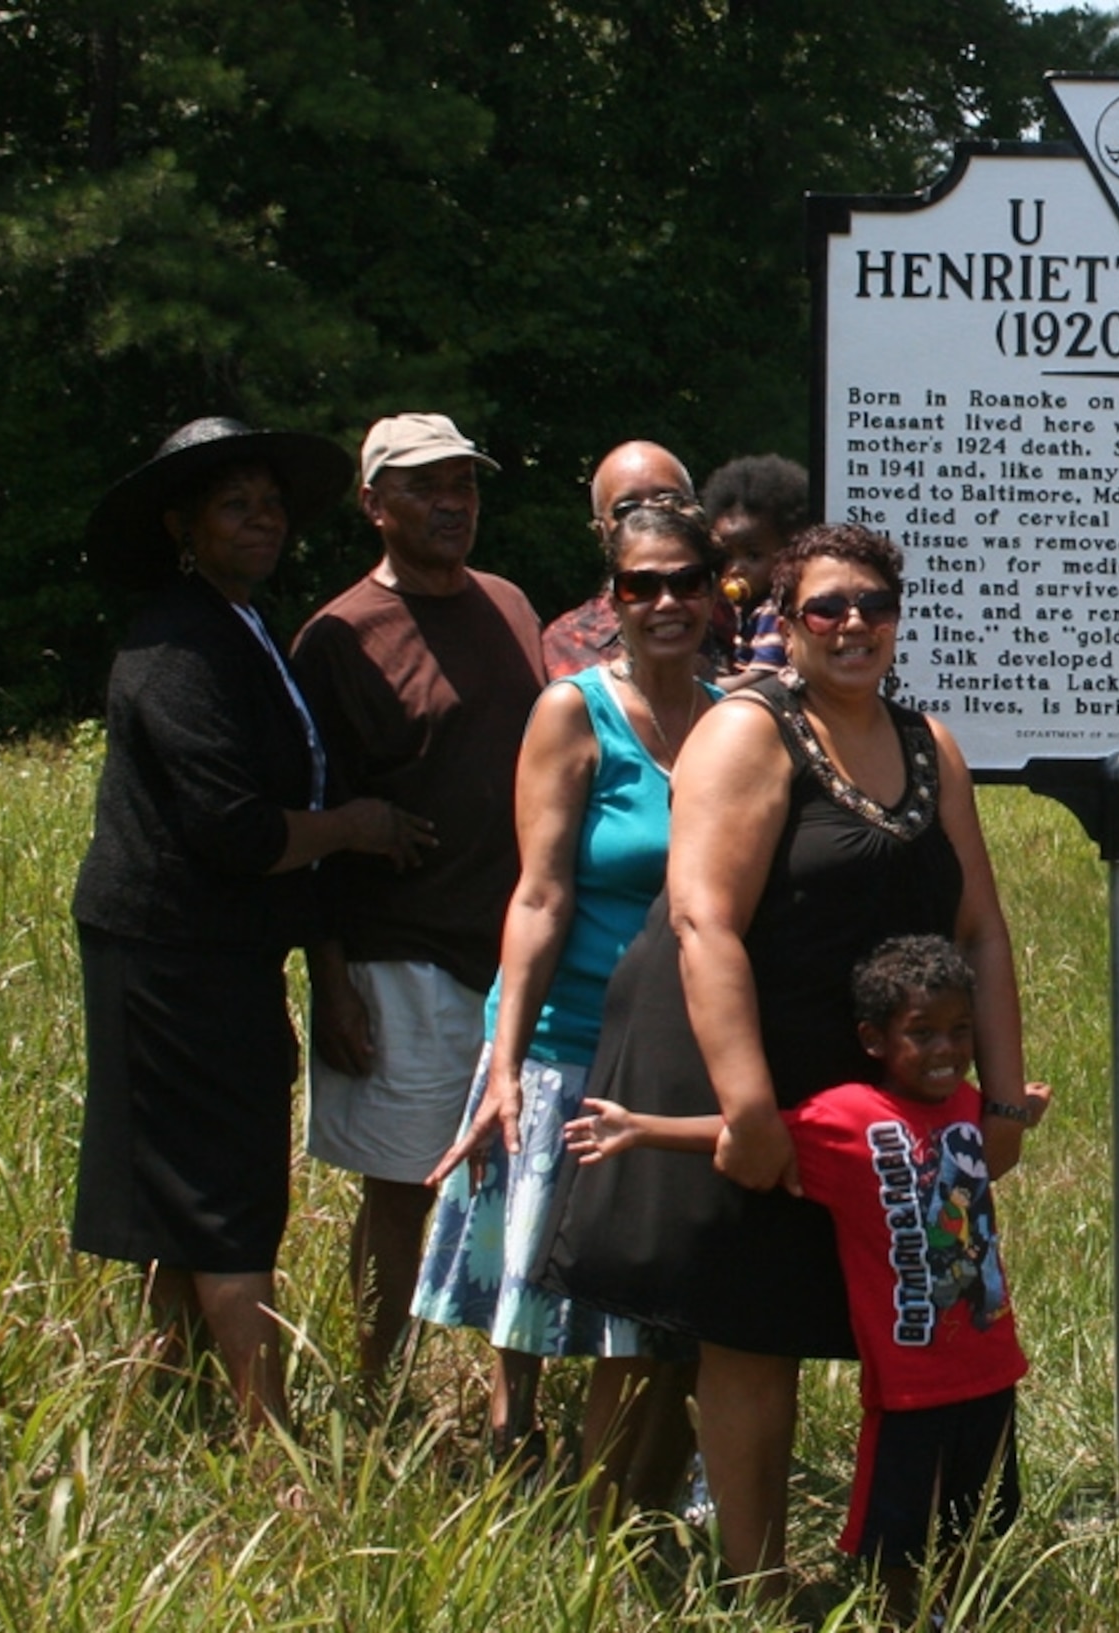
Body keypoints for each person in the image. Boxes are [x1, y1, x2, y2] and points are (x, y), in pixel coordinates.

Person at [541, 523, 1032, 1592]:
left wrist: (998, 1100)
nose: (853, 624)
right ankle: (753, 1584)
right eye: (826, 606)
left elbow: (981, 931)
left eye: (874, 604)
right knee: (746, 1327)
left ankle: (892, 1567)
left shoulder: (930, 744)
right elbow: (702, 921)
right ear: (784, 621)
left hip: (857, 1078)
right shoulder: (747, 730)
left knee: (868, 1313)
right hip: (724, 1053)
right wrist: (749, 1111)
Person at [70, 417, 429, 1426]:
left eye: (271, 504)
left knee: (195, 1180)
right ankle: (269, 1443)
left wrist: (325, 965)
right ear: (183, 526)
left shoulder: (246, 626)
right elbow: (235, 831)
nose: (262, 521)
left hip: (225, 950)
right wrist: (354, 826)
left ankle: (171, 1405)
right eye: (236, 506)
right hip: (169, 953)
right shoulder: (175, 647)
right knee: (216, 1191)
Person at [566, 936, 1048, 1619]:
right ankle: (897, 1618)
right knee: (897, 1539)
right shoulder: (848, 1117)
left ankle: (960, 1614)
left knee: (975, 1520)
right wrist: (641, 1128)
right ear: (873, 1040)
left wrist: (1022, 1105)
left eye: (960, 1030)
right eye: (922, 1033)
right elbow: (751, 1133)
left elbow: (1002, 1119)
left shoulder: (970, 1105)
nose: (945, 1049)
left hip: (992, 1368)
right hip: (909, 1384)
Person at [407, 502, 720, 1497]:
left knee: (636, 1290)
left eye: (685, 582)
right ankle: (515, 1449)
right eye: (641, 585)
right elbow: (540, 895)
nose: (665, 603)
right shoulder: (571, 712)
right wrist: (504, 1066)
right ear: (611, 598)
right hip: (564, 1036)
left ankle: (625, 1483)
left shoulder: (732, 720)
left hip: (669, 1050)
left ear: (714, 592)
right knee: (529, 1267)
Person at [292, 410, 544, 1389]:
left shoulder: (510, 606)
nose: (452, 503)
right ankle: (374, 1392)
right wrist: (331, 980)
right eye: (425, 486)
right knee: (403, 1190)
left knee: (522, 1187)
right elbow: (313, 821)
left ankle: (513, 1407)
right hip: (399, 957)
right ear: (373, 504)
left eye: (463, 484)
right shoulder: (339, 637)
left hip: (518, 955)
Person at [540, 442, 696, 680]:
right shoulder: (569, 642)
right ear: (601, 534)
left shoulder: (741, 622)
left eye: (669, 502)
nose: (650, 517)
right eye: (627, 509)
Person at [700, 454, 816, 680]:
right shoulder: (744, 610)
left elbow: (762, 677)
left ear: (789, 550)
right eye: (726, 556)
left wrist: (707, 690)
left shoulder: (774, 611)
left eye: (753, 556)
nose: (736, 568)